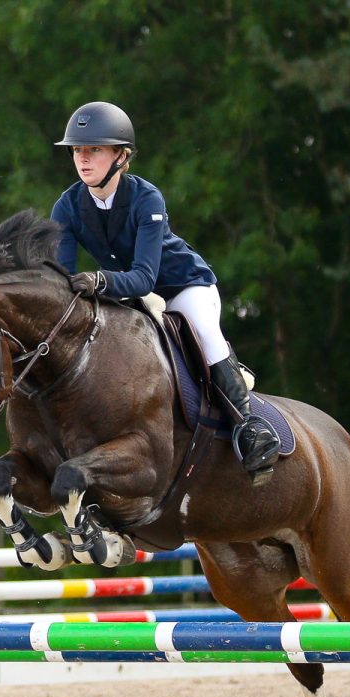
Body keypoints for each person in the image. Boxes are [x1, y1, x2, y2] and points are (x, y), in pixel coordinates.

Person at [49, 100, 280, 481]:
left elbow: (142, 276)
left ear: (121, 157)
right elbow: (62, 276)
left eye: (94, 149)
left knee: (202, 329)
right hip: (130, 295)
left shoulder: (146, 198)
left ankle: (249, 427)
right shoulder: (68, 205)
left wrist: (100, 281)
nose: (83, 159)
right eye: (77, 150)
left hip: (183, 286)